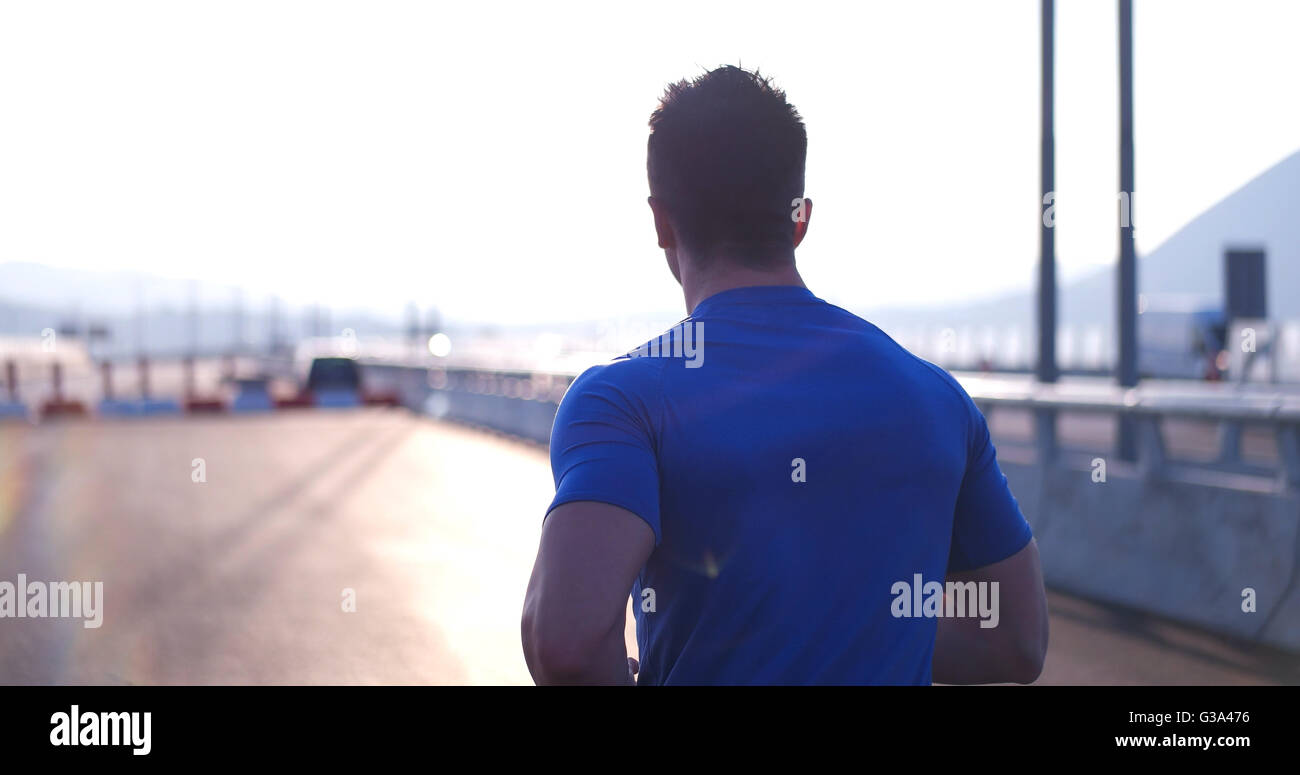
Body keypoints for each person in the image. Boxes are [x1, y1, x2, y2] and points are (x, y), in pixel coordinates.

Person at [521, 65, 1048, 685]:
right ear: (800, 218)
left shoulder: (626, 400)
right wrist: (864, 632)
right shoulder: (935, 398)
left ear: (661, 221)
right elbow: (1017, 640)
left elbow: (567, 643)